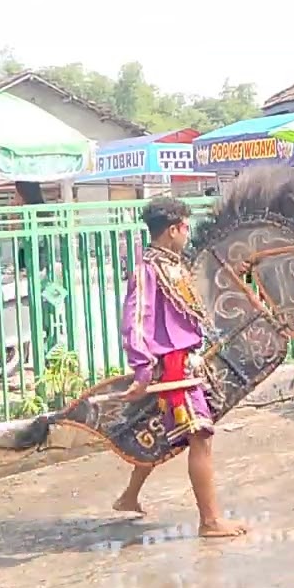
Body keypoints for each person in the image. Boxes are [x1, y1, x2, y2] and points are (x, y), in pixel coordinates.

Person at [113, 197, 247, 538]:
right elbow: (136, 322)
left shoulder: (175, 265)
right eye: (186, 227)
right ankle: (211, 521)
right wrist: (143, 370)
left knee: (161, 433)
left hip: (187, 360)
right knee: (199, 436)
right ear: (173, 230)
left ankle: (129, 495)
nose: (188, 233)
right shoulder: (147, 270)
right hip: (172, 367)